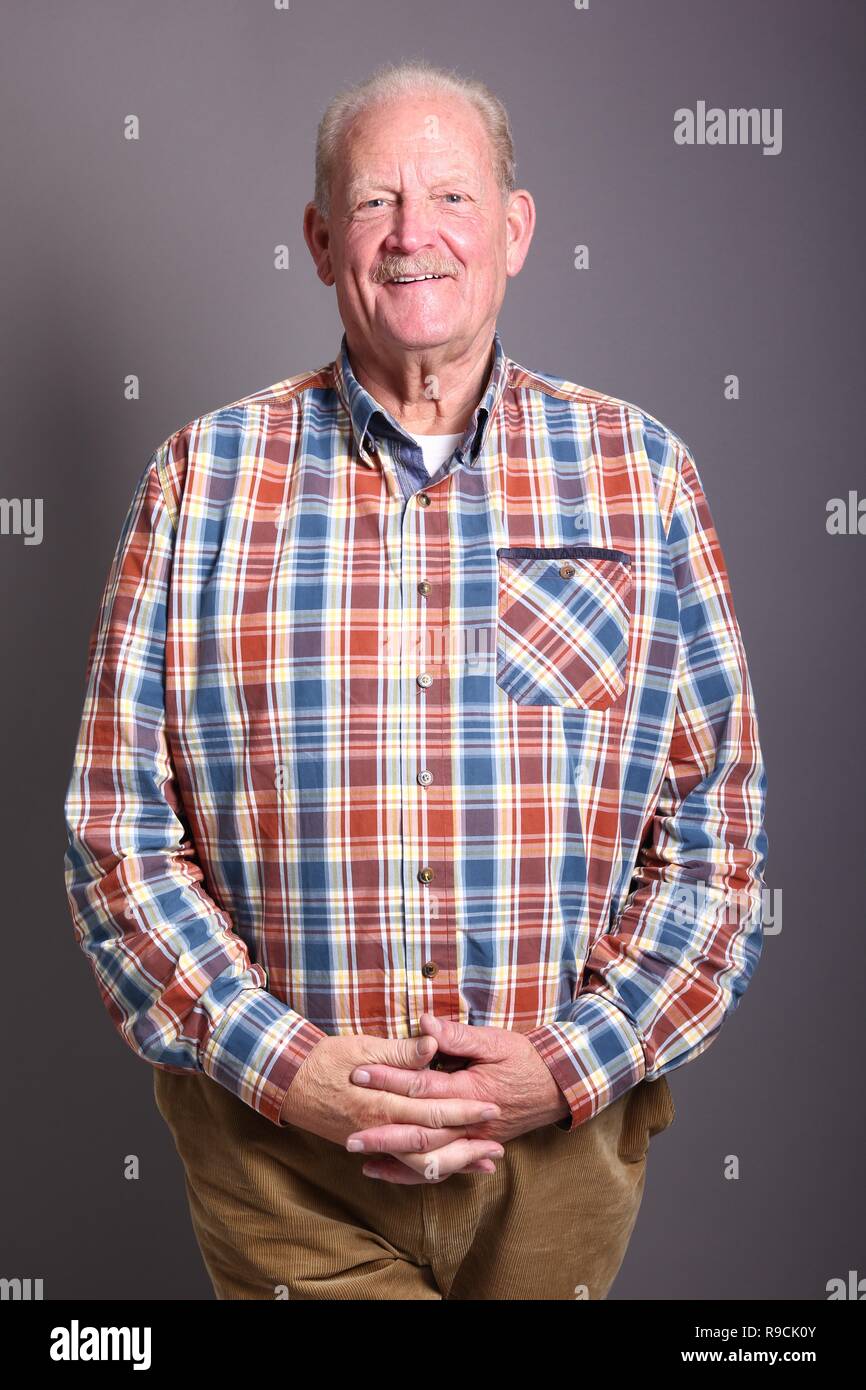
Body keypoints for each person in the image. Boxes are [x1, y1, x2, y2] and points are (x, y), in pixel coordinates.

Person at [63, 58, 768, 1300]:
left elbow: (715, 835)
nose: (411, 235)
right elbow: (118, 836)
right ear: (321, 235)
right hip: (279, 1158)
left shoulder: (637, 473)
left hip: (560, 1155)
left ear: (512, 227)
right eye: (375, 200)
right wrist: (285, 1067)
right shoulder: (201, 481)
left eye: (448, 196)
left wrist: (563, 1064)